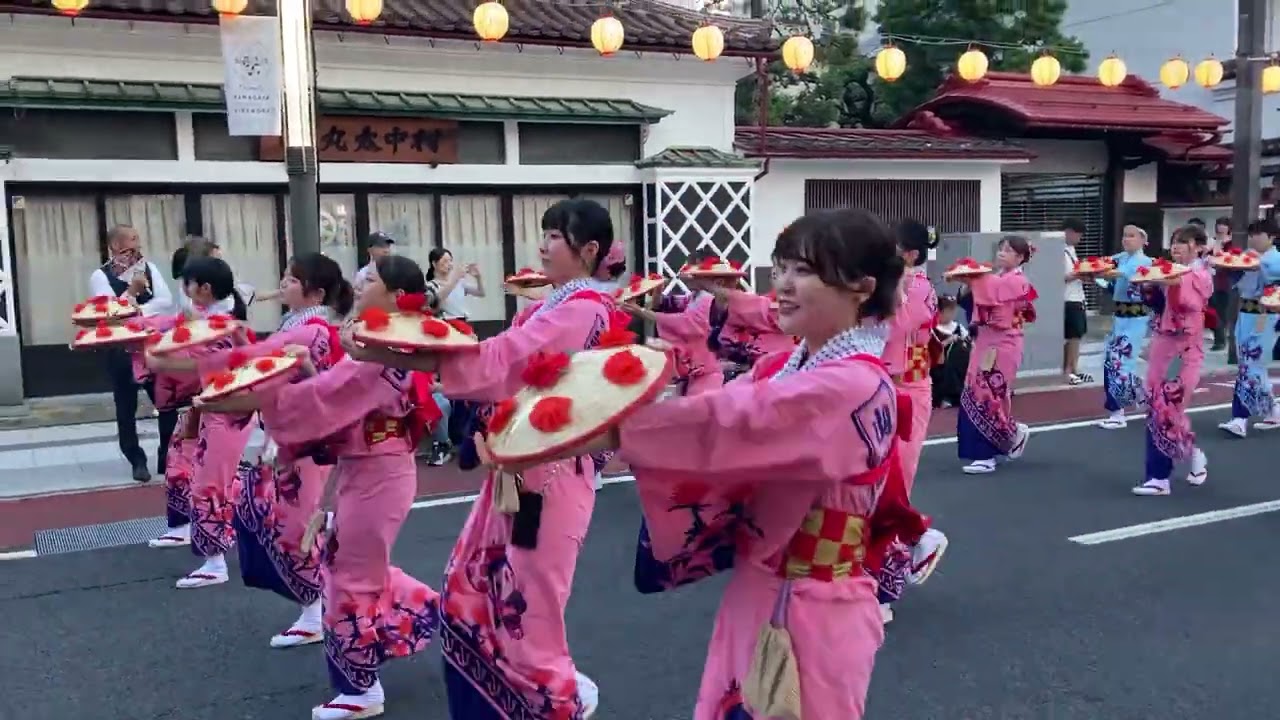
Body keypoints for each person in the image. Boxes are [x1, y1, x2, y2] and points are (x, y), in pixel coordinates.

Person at [497, 208, 916, 719]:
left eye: (802, 271)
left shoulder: (853, 384)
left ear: (861, 287)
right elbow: (728, 410)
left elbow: (732, 420)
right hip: (761, 588)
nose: (781, 284)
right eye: (780, 267)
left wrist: (604, 429)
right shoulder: (789, 364)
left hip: (811, 603)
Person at [340, 198, 613, 719]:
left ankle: (554, 698)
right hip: (521, 466)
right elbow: (497, 356)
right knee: (483, 584)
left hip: (550, 473)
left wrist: (387, 347)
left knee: (529, 600)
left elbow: (501, 359)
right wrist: (382, 349)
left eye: (555, 236)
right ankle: (532, 695)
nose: (542, 244)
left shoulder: (581, 310)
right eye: (547, 233)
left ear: (589, 250)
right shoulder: (556, 306)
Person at [198, 254, 440, 720]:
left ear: (393, 295)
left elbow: (331, 397)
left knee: (352, 573)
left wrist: (253, 391)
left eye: (370, 278)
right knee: (347, 566)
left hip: (381, 472)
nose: (360, 282)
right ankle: (425, 617)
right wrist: (305, 373)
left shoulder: (387, 351)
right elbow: (336, 394)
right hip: (369, 468)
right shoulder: (382, 344)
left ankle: (363, 687)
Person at [148, 253, 354, 643]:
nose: (284, 285)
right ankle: (320, 607)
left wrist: (169, 362)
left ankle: (325, 611)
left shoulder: (311, 330)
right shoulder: (299, 325)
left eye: (291, 280)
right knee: (283, 516)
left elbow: (253, 362)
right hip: (290, 432)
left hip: (307, 438)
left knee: (295, 521)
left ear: (316, 291)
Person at [875, 219, 947, 624]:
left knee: (891, 484)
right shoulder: (890, 284)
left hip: (906, 387)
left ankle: (887, 586)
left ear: (910, 255)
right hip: (878, 387)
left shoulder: (916, 287)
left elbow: (892, 326)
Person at [89, 224, 176, 481]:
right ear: (116, 245)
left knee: (166, 400)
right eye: (132, 239)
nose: (137, 243)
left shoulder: (149, 268)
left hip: (151, 345)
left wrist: (137, 313)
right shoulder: (100, 276)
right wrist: (132, 293)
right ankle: (136, 459)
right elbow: (108, 311)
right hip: (121, 350)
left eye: (137, 238)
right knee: (126, 407)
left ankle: (166, 454)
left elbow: (166, 301)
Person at [1133, 226, 1212, 496]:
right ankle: (1188, 455)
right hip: (1162, 343)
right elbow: (1158, 306)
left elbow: (1187, 305)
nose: (1176, 247)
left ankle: (1158, 477)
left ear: (1198, 247)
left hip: (1185, 348)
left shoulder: (1200, 275)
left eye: (1183, 243)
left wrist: (1169, 282)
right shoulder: (1171, 272)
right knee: (1157, 406)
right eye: (1174, 242)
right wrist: (1150, 288)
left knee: (1168, 407)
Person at [953, 235, 1037, 475]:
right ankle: (1009, 436)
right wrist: (970, 282)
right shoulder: (996, 278)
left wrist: (974, 278)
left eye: (1009, 250)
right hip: (986, 340)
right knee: (975, 389)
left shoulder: (1018, 280)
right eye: (1001, 248)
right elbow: (979, 299)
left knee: (989, 392)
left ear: (1020, 257)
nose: (1002, 253)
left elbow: (992, 295)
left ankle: (988, 453)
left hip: (1004, 342)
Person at [422, 248, 487, 466]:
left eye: (451, 260)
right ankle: (447, 436)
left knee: (467, 376)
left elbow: (481, 293)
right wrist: (454, 279)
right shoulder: (431, 285)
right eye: (444, 261)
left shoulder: (458, 282)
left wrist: (477, 276)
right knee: (448, 377)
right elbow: (433, 304)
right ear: (433, 264)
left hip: (464, 327)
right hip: (446, 327)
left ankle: (462, 431)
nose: (449, 264)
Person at [1218, 220, 1280, 436]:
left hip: (1265, 315)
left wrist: (1255, 264)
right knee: (1250, 363)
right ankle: (1273, 410)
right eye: (1251, 235)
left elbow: (1270, 273)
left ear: (1271, 237)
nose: (1254, 239)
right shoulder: (1247, 256)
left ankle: (1239, 417)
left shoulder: (1275, 259)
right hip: (1245, 312)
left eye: (1259, 234)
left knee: (1250, 364)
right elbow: (1238, 280)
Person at [1095, 225, 1154, 429]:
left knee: (1119, 362)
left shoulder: (1143, 261)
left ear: (1143, 240)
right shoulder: (1122, 257)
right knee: (1116, 361)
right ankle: (1143, 396)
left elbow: (1116, 274)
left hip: (1136, 317)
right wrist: (1094, 272)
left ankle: (1118, 412)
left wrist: (1100, 271)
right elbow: (1106, 270)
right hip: (1120, 317)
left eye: (1131, 236)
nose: (1126, 239)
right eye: (1124, 235)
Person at [1061, 218, 1092, 385]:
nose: (1079, 239)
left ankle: (1074, 369)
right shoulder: (1057, 250)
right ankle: (1068, 371)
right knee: (1072, 336)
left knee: (1077, 335)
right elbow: (1061, 277)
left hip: (1078, 297)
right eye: (1078, 235)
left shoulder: (1071, 250)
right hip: (1067, 299)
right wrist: (1081, 274)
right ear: (1068, 232)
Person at [931, 296, 970, 407]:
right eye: (948, 311)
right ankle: (946, 397)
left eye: (953, 311)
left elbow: (969, 341)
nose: (951, 314)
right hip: (942, 362)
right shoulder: (934, 328)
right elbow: (934, 348)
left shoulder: (958, 326)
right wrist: (948, 340)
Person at [1208, 217, 1234, 352]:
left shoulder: (1232, 242)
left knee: (1222, 311)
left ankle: (1222, 340)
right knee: (1213, 311)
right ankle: (1219, 338)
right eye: (1219, 225)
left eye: (1224, 225)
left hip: (1225, 280)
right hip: (1211, 278)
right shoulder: (1212, 241)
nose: (1221, 227)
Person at [353, 231, 395, 296]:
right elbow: (357, 296)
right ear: (370, 249)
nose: (386, 250)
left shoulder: (396, 270)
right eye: (381, 246)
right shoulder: (363, 274)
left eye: (387, 246)